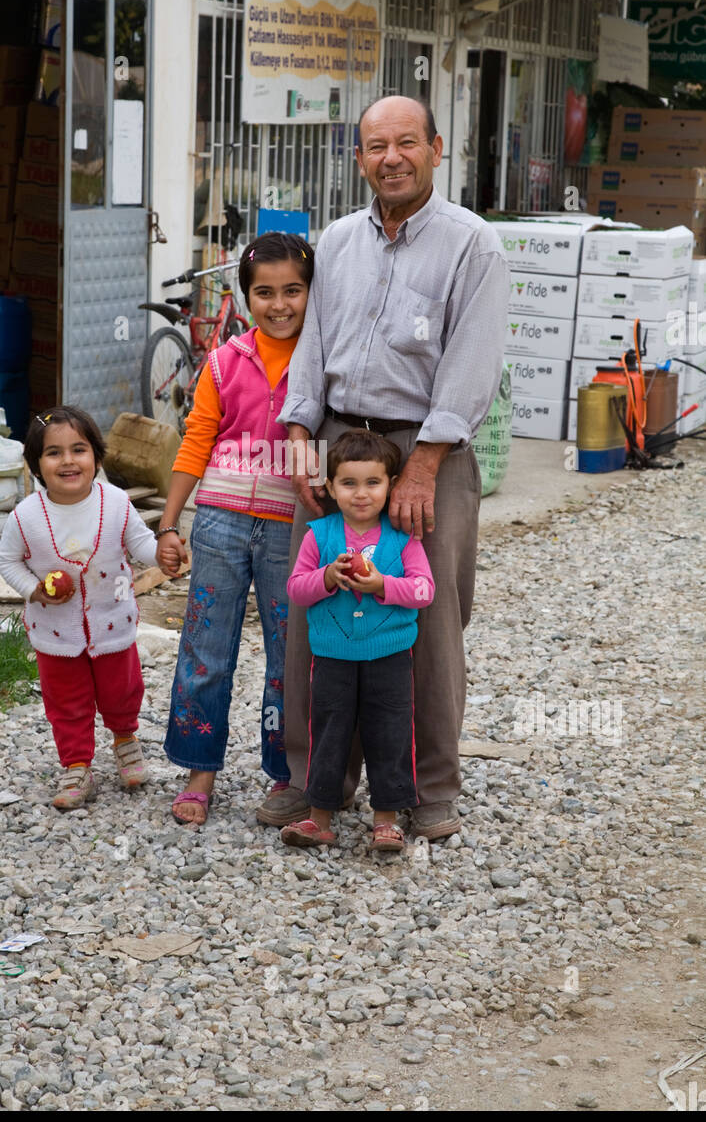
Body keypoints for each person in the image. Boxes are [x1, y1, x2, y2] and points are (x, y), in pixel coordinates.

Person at [271, 94, 508, 840]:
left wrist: (424, 464)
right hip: (338, 442)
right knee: (319, 609)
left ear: (438, 148)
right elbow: (311, 347)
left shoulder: (473, 245)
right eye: (377, 146)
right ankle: (317, 783)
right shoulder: (337, 242)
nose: (392, 158)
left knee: (427, 614)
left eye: (407, 143)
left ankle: (429, 786)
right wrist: (301, 428)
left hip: (424, 449)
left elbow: (474, 362)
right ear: (360, 158)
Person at [155, 232, 315, 826]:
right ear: (245, 298)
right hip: (219, 524)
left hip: (290, 532)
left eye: (293, 290)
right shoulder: (224, 362)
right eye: (264, 292)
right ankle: (200, 770)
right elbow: (196, 439)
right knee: (205, 648)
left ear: (310, 293)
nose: (279, 304)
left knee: (288, 655)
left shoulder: (323, 363)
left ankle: (285, 773)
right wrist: (170, 523)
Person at [0, 405, 167, 811]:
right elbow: (6, 561)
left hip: (112, 622)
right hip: (56, 631)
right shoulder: (27, 516)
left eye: (79, 449)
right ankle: (76, 764)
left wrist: (164, 552)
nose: (68, 461)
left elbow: (139, 543)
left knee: (122, 689)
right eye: (54, 453)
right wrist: (35, 590)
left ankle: (125, 739)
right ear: (36, 464)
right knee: (65, 700)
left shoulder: (116, 502)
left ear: (96, 456)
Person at [281, 430, 435, 852]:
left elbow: (425, 591)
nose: (361, 494)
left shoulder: (404, 538)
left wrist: (383, 583)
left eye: (373, 482)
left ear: (392, 484)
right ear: (330, 487)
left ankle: (386, 819)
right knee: (328, 734)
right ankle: (319, 818)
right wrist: (328, 577)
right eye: (349, 483)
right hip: (332, 656)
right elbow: (296, 589)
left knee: (390, 734)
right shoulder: (320, 535)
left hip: (390, 657)